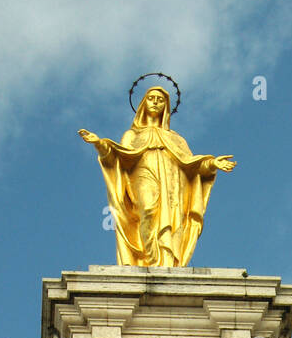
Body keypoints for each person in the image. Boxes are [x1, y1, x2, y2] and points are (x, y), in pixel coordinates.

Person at [78, 86, 236, 267]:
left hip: (173, 181)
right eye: (151, 98)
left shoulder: (176, 138)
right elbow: (118, 157)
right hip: (143, 174)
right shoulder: (132, 134)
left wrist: (212, 164)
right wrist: (99, 144)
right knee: (148, 210)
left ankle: (166, 262)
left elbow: (191, 165)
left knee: (172, 219)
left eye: (160, 100)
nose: (155, 102)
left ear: (166, 108)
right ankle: (150, 260)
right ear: (144, 103)